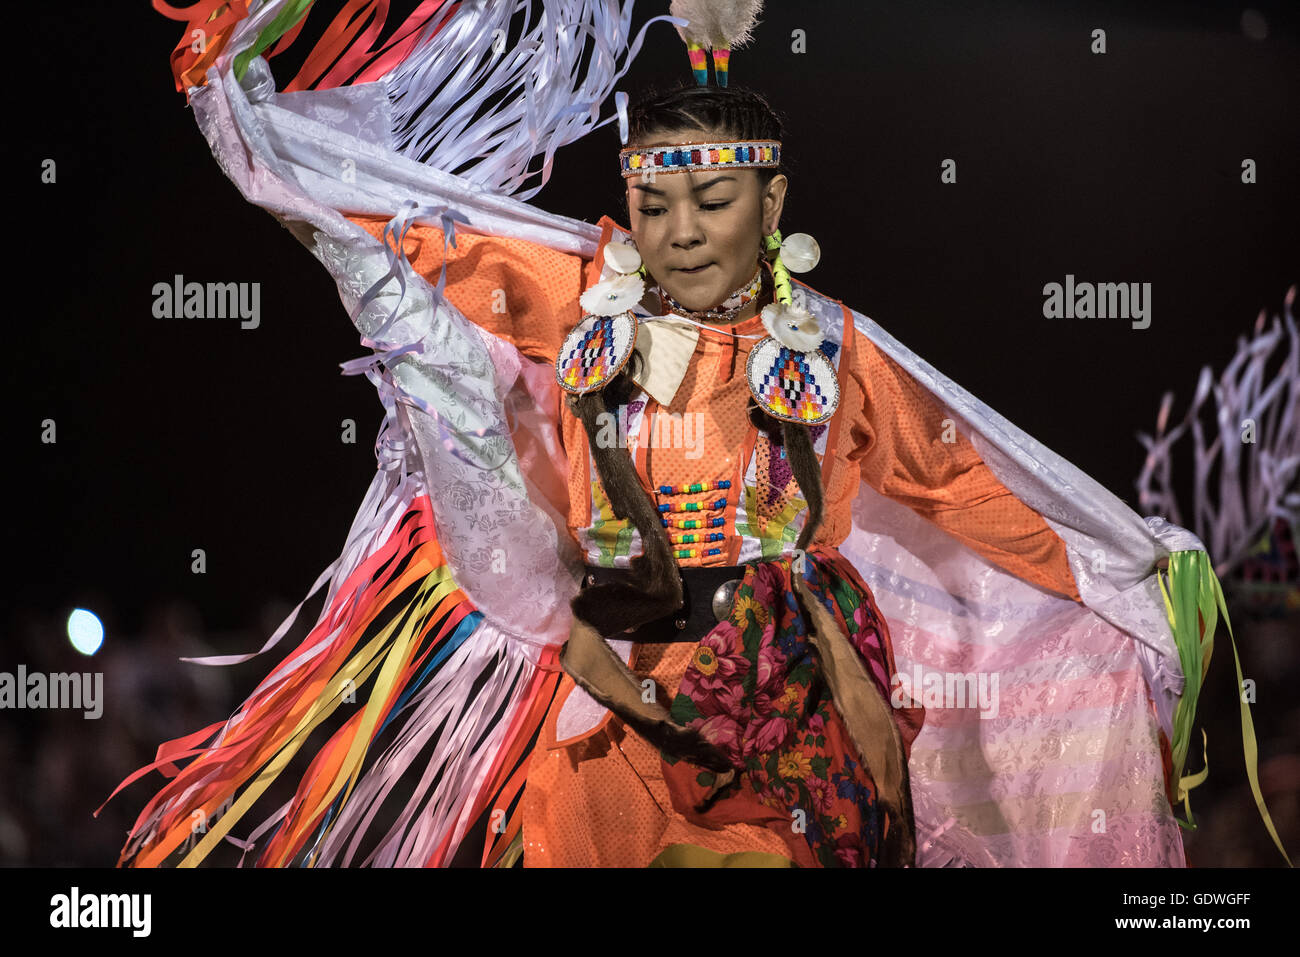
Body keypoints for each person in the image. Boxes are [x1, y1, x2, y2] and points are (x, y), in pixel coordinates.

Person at [110, 0, 1221, 869]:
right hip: (608, 713)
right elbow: (407, 240)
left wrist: (1119, 575)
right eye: (656, 204)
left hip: (792, 716)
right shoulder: (588, 295)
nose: (681, 233)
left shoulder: (834, 350)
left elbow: (966, 484)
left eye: (715, 202)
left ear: (771, 204)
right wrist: (258, 136)